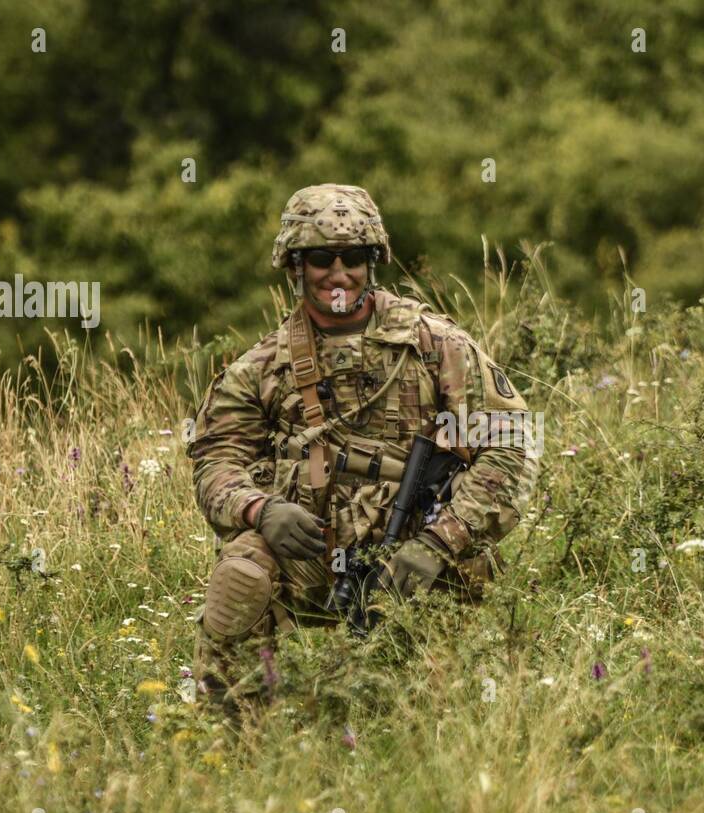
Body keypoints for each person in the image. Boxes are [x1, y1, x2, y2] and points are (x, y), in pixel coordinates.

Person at [187, 183, 538, 716]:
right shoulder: (262, 366)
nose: (338, 272)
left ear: (373, 261)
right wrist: (261, 508)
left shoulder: (435, 344)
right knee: (242, 572)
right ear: (294, 266)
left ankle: (454, 730)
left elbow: (512, 448)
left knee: (445, 699)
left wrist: (440, 542)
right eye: (321, 258)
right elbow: (215, 461)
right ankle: (230, 745)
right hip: (313, 552)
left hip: (423, 548)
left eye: (353, 257)